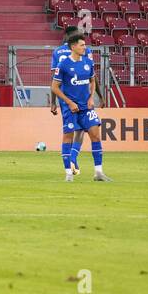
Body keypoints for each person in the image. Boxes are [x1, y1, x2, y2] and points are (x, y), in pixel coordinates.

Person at [50, 33, 111, 182]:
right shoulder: (63, 64)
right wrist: (69, 102)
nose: (85, 47)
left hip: (86, 107)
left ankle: (98, 173)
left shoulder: (87, 62)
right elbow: (55, 87)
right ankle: (68, 174)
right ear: (73, 47)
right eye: (82, 45)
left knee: (95, 135)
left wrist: (91, 97)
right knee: (68, 137)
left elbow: (92, 81)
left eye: (85, 45)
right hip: (70, 108)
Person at [50, 26, 95, 176]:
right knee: (80, 129)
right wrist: (95, 97)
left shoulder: (57, 52)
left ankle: (70, 162)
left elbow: (55, 79)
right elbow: (91, 76)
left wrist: (53, 101)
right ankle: (73, 158)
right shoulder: (86, 51)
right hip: (77, 95)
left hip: (64, 95)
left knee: (70, 130)